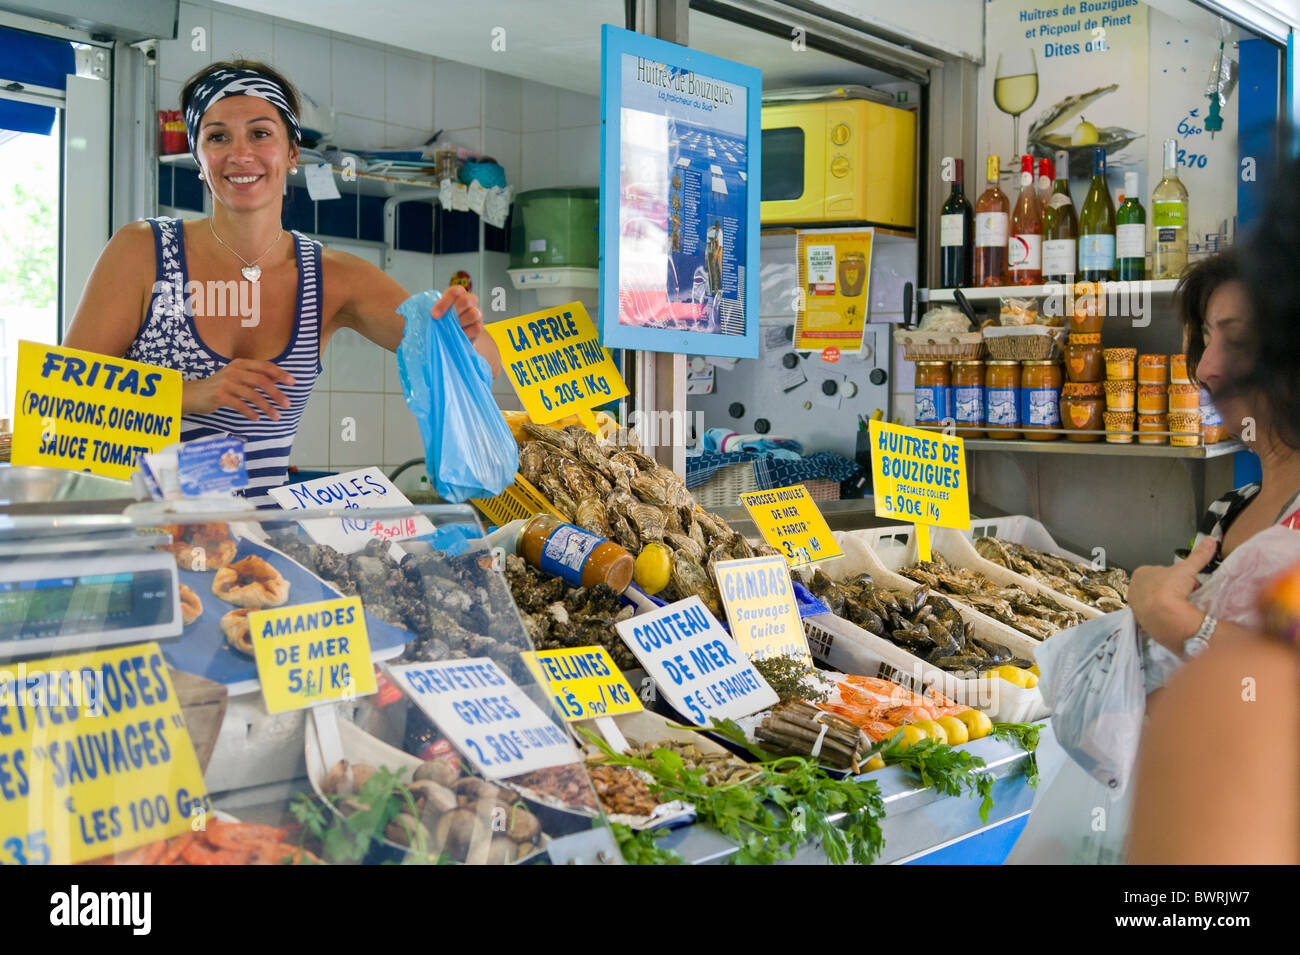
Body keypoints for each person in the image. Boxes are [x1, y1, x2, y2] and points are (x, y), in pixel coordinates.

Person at [63, 60, 501, 500]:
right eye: (217, 136)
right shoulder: (143, 251)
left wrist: (463, 333)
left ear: (292, 152)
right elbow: (62, 397)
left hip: (258, 556)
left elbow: (481, 367)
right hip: (139, 541)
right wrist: (190, 394)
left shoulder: (332, 278)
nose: (240, 154)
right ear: (199, 156)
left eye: (260, 133)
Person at [1126, 250, 1300, 656]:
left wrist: (1183, 625)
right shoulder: (1227, 511)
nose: (1206, 367)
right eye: (1206, 337)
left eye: (1236, 341)